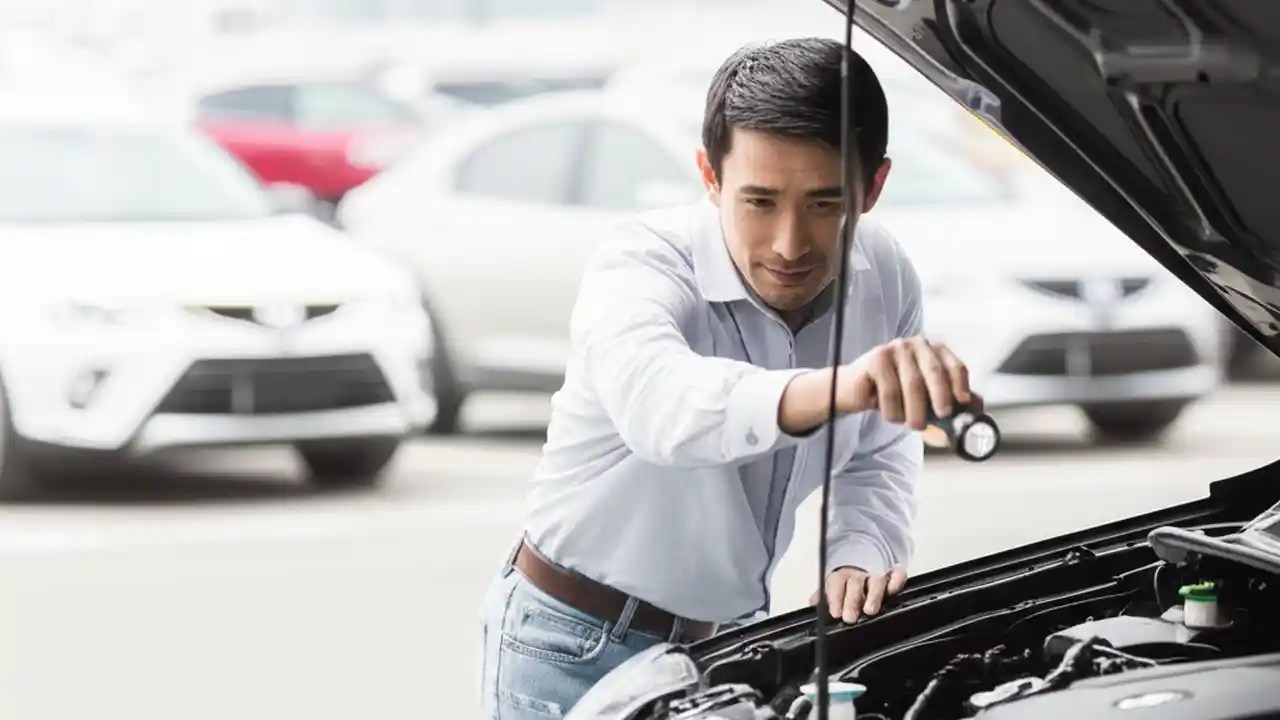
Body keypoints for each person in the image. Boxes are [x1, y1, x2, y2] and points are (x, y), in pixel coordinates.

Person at [479, 37, 979, 719]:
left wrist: (860, 548)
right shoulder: (641, 263)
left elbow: (880, 447)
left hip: (734, 644)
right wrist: (845, 386)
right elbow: (664, 408)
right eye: (760, 201)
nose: (789, 244)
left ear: (875, 186)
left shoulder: (886, 273)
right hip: (573, 646)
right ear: (709, 178)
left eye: (826, 203)